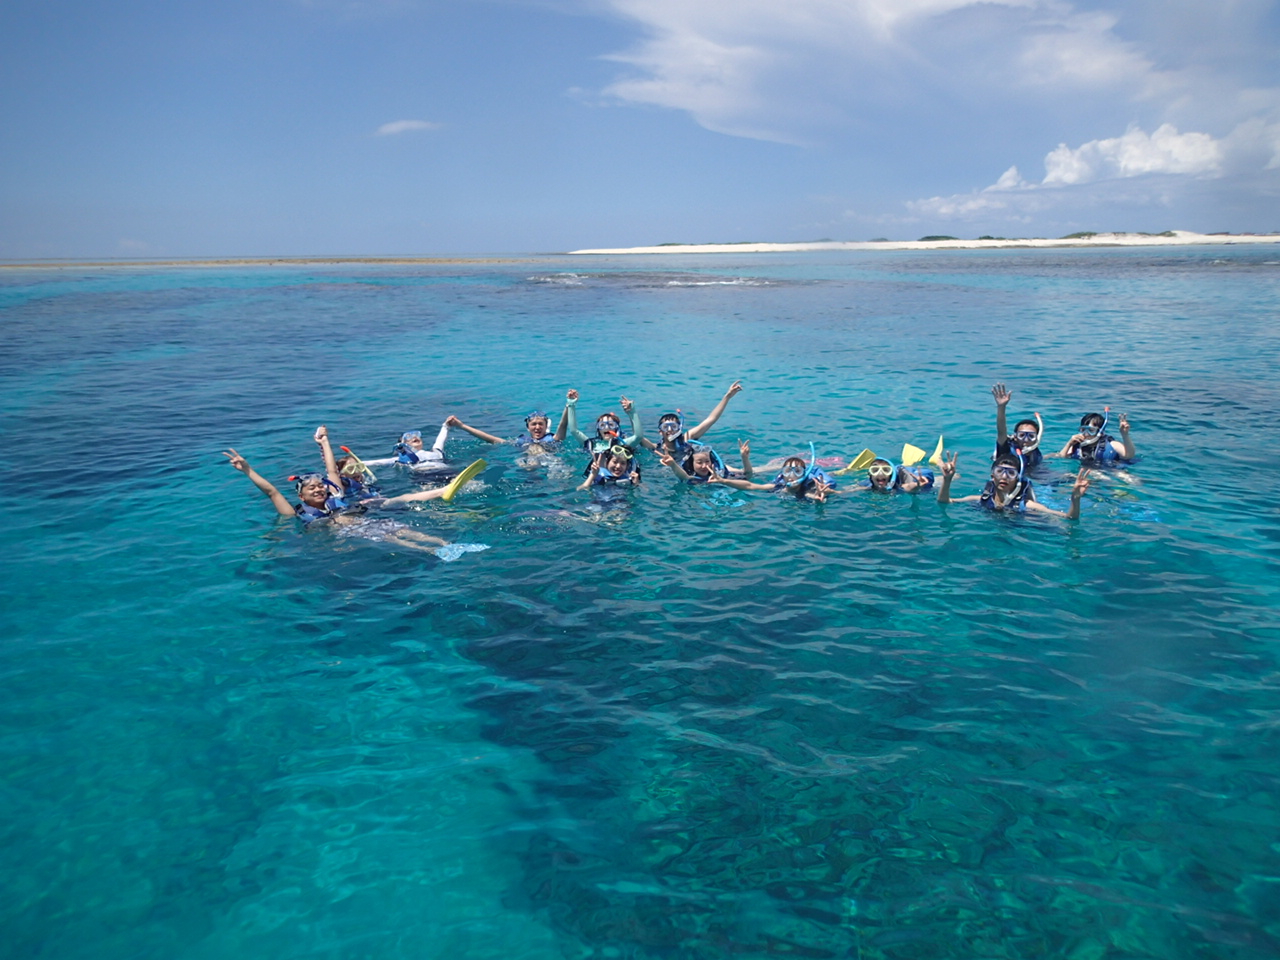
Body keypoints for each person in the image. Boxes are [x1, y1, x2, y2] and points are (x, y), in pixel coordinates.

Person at [223, 448, 477, 554]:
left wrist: (324, 443)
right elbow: (272, 492)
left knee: (403, 529)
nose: (319, 489)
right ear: (301, 496)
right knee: (394, 538)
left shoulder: (336, 496)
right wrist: (247, 470)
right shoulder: (296, 512)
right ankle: (436, 551)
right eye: (312, 488)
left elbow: (333, 472)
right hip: (351, 532)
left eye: (320, 486)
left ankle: (451, 545)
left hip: (365, 522)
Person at [936, 451, 1088, 518]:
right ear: (992, 476)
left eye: (1011, 473)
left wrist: (1075, 499)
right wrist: (947, 480)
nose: (1004, 477)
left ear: (1017, 479)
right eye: (1000, 471)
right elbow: (945, 502)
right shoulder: (980, 499)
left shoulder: (1028, 505)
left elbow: (1068, 518)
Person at [640, 380, 743, 460]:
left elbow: (711, 419)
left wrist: (727, 397)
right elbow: (638, 437)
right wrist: (631, 413)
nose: (670, 430)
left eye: (674, 426)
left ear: (679, 428)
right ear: (660, 431)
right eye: (665, 427)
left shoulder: (686, 438)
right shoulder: (655, 447)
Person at [706, 449, 838, 502]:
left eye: (797, 471)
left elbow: (823, 495)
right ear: (783, 473)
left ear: (803, 474)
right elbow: (750, 485)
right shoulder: (778, 486)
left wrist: (824, 494)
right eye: (787, 471)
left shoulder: (807, 491)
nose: (791, 475)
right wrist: (723, 480)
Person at [444, 408, 569, 454]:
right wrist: (462, 426)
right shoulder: (522, 441)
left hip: (550, 464)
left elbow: (563, 426)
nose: (537, 427)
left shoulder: (553, 439)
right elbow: (492, 439)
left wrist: (569, 405)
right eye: (534, 424)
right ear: (528, 427)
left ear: (546, 426)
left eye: (541, 424)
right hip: (527, 468)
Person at [564, 389, 644, 457]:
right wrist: (571, 404)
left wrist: (632, 412)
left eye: (611, 425)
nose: (606, 427)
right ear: (598, 429)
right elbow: (573, 430)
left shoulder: (621, 444)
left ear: (617, 428)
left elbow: (638, 436)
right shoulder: (591, 444)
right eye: (602, 425)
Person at [991, 382, 1045, 469]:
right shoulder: (1007, 450)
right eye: (1022, 435)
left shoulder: (1035, 452)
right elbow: (1001, 431)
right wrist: (1001, 407)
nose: (1026, 440)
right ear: (1015, 437)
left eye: (1031, 436)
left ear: (1036, 438)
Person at [1056, 410, 1136, 463]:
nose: (1086, 434)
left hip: (1112, 470)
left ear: (1100, 432)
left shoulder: (1111, 444)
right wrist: (1069, 444)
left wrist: (1125, 434)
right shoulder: (1077, 445)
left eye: (1091, 430)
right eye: (1083, 429)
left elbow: (1128, 455)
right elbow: (1061, 457)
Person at [659, 439, 753, 483]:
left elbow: (748, 475)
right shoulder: (690, 474)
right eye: (699, 462)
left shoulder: (719, 471)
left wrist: (744, 458)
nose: (704, 466)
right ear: (692, 463)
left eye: (707, 461)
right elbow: (685, 477)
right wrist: (673, 465)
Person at [853, 458, 934, 493]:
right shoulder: (866, 486)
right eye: (875, 470)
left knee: (938, 482)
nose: (880, 473)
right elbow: (849, 490)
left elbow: (908, 486)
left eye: (886, 470)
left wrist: (918, 484)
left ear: (890, 475)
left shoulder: (897, 487)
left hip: (910, 477)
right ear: (870, 475)